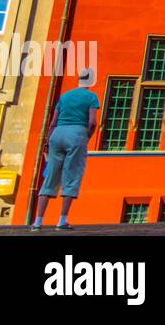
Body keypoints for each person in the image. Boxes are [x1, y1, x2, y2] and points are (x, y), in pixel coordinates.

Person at [31, 69, 101, 230]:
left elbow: (53, 122)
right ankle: (62, 220)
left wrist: (48, 140)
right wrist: (86, 136)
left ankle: (37, 222)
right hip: (77, 133)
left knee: (50, 176)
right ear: (91, 81)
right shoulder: (91, 97)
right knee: (72, 176)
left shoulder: (64, 96)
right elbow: (92, 122)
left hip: (57, 133)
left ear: (78, 79)